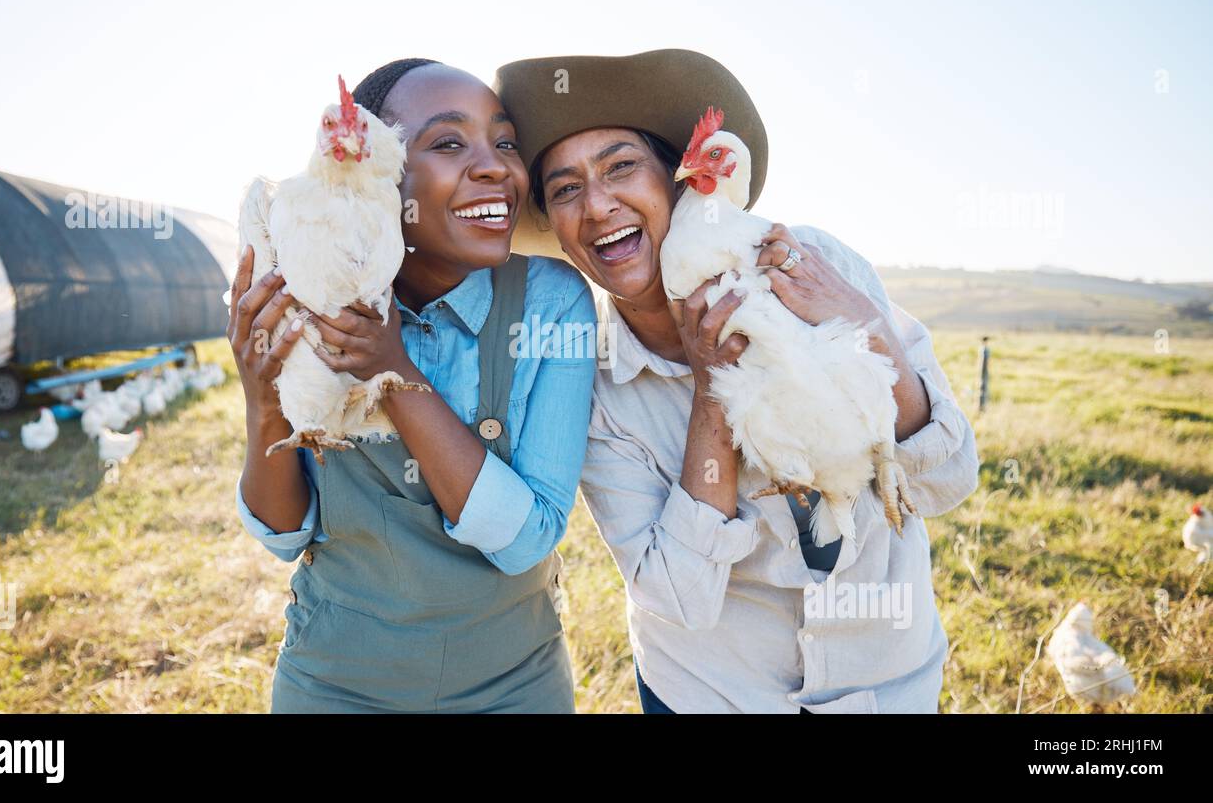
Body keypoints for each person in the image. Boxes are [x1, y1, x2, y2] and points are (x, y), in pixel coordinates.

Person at [494, 48, 980, 713]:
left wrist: (861, 320)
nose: (600, 205)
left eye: (621, 167)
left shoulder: (810, 263)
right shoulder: (596, 381)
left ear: (678, 180)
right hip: (713, 693)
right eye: (567, 188)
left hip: (886, 684)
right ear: (556, 224)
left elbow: (944, 479)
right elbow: (679, 598)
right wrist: (712, 387)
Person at [229, 59, 597, 713]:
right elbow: (285, 534)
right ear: (378, 172)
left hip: (513, 686)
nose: (495, 167)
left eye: (505, 142)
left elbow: (528, 540)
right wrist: (264, 406)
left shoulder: (552, 303)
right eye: (449, 142)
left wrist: (389, 367)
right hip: (337, 687)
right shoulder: (307, 285)